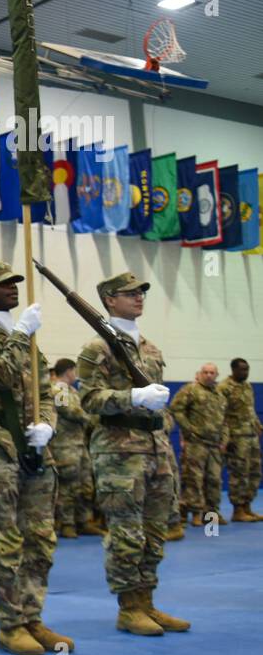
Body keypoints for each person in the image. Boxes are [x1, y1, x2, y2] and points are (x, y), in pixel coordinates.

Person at [0, 262, 66, 655]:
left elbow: (46, 393)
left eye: (15, 283)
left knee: (39, 539)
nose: (13, 289)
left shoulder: (29, 342)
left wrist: (48, 426)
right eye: (3, 284)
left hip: (35, 451)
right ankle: (9, 624)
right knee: (4, 541)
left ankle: (32, 616)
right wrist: (21, 333)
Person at [77, 271, 189, 636]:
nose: (139, 297)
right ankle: (128, 608)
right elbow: (89, 399)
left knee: (155, 532)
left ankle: (147, 602)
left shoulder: (151, 348)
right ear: (110, 300)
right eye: (129, 293)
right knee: (126, 534)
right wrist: (133, 397)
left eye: (141, 292)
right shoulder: (96, 349)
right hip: (119, 453)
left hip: (156, 449)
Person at [168, 363, 227, 527]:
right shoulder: (190, 390)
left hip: (214, 445)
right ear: (200, 374)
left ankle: (211, 514)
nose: (208, 375)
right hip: (196, 444)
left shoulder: (220, 395)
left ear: (217, 375)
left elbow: (224, 420)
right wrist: (189, 429)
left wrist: (224, 439)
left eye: (212, 373)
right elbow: (175, 409)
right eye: (205, 372)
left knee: (214, 480)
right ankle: (195, 513)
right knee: (193, 479)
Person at [49, 358, 88, 538]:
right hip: (64, 445)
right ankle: (67, 524)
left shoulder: (71, 390)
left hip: (77, 443)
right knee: (67, 486)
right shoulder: (59, 389)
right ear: (69, 371)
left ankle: (83, 521)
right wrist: (91, 417)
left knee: (82, 484)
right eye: (74, 371)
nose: (76, 374)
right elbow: (67, 410)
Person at [221, 359, 262, 522]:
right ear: (233, 370)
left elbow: (250, 411)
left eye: (247, 370)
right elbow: (220, 415)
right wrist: (225, 438)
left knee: (254, 472)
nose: (245, 373)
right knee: (239, 474)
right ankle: (237, 510)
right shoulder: (224, 388)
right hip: (236, 438)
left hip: (251, 436)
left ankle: (247, 507)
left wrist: (258, 426)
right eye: (242, 370)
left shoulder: (247, 386)